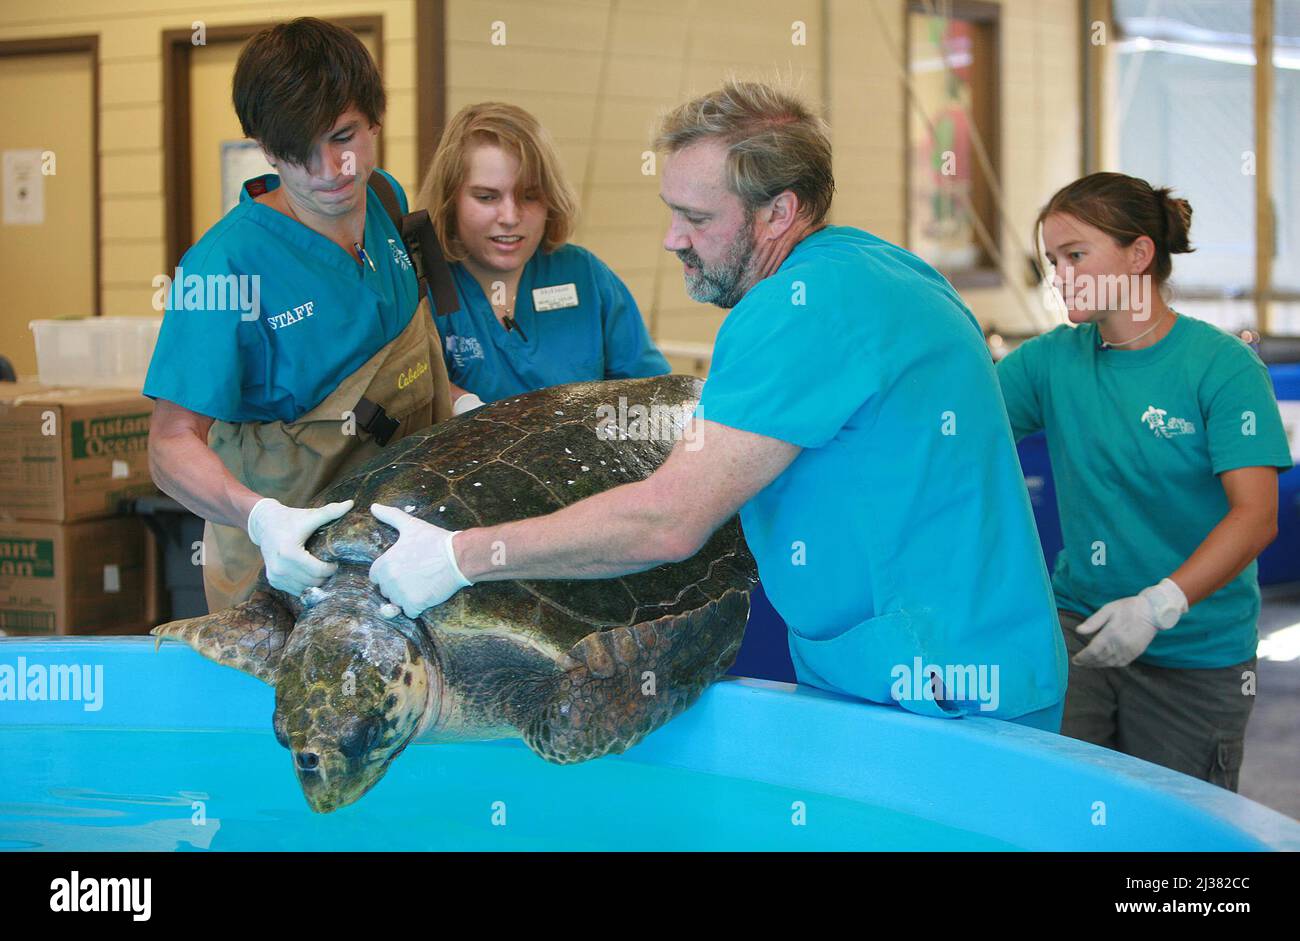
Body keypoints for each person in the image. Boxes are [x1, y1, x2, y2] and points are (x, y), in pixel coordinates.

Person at [366, 81, 1068, 730]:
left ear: (778, 213)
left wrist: (460, 556)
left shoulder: (796, 310)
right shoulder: (882, 265)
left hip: (933, 691)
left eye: (695, 217)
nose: (673, 238)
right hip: (956, 662)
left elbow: (668, 521)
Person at [144, 18, 453, 612]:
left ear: (375, 120)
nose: (329, 169)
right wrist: (258, 518)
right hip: (288, 561)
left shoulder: (386, 200)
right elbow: (170, 445)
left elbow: (410, 348)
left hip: (405, 537)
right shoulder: (221, 268)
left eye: (344, 136)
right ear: (265, 147)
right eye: (297, 151)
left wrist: (462, 402)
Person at [997, 172, 1291, 789]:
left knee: (1175, 855)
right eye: (1052, 259)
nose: (1060, 274)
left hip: (1196, 652)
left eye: (1076, 255)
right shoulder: (1053, 361)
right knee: (1056, 811)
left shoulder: (1222, 367)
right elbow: (953, 421)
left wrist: (1162, 604)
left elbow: (1257, 515)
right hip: (1080, 630)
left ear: (1139, 254)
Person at [413, 102, 668, 413]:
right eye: (487, 197)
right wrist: (456, 402)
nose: (510, 216)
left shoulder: (583, 275)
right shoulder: (420, 285)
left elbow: (653, 395)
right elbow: (409, 391)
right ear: (451, 200)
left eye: (529, 196)